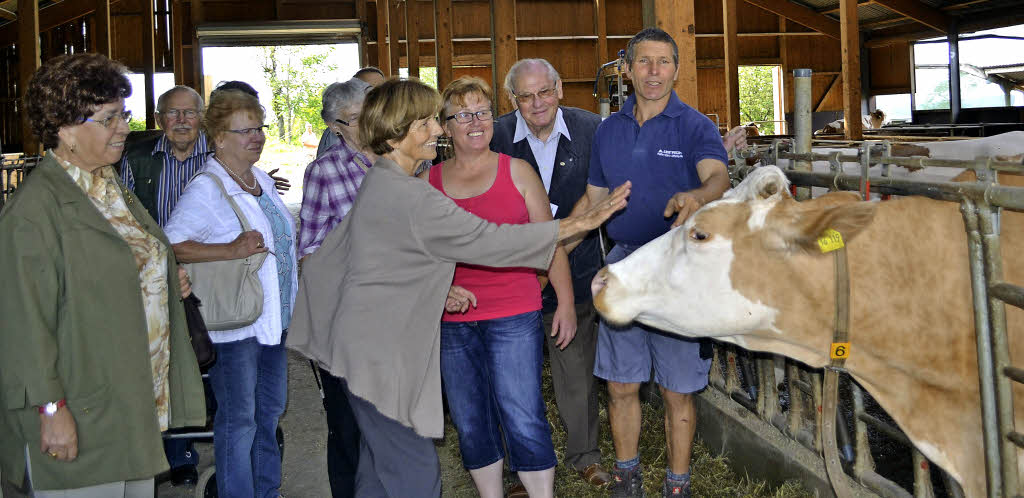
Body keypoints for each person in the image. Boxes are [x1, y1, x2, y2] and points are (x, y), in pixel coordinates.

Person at [286, 78, 630, 497]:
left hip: (360, 349)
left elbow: (373, 258)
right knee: (416, 474)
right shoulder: (412, 192)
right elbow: (488, 240)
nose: (437, 129)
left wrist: (438, 288)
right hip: (379, 357)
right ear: (397, 135)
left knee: (376, 470)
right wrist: (580, 223)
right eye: (427, 122)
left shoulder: (383, 180)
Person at [0, 52, 206, 497]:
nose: (124, 128)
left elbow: (114, 265)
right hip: (81, 411)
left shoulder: (108, 187)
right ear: (65, 129)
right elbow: (23, 326)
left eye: (123, 115)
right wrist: (51, 410)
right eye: (109, 118)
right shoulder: (34, 211)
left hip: (129, 401)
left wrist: (161, 279)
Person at [571, 28, 730, 498]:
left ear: (676, 69)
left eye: (663, 62)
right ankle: (627, 477)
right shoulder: (608, 130)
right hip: (626, 265)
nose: (654, 72)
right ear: (627, 69)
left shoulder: (694, 125)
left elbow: (718, 177)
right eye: (644, 62)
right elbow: (594, 199)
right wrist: (555, 243)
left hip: (681, 268)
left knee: (676, 389)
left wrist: (697, 196)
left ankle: (677, 484)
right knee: (621, 383)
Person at [422, 76, 567, 498]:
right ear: (446, 127)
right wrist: (438, 290)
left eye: (482, 112)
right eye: (463, 115)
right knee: (470, 418)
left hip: (514, 312)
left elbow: (549, 241)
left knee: (522, 412)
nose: (475, 122)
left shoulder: (517, 171)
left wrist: (564, 302)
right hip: (452, 320)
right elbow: (417, 254)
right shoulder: (428, 183)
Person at [164, 89, 298, 498]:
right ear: (219, 138)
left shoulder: (260, 180)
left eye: (260, 128)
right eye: (246, 131)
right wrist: (229, 250)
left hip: (272, 321)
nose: (257, 138)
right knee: (239, 420)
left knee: (268, 413)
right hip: (236, 328)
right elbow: (169, 244)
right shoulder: (207, 188)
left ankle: (266, 491)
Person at [490, 58, 612, 490]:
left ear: (559, 89)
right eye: (526, 96)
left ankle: (585, 455)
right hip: (510, 278)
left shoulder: (592, 130)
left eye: (544, 91)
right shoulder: (495, 136)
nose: (537, 103)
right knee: (513, 379)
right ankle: (521, 466)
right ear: (513, 99)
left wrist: (553, 258)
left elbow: (598, 199)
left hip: (575, 271)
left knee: (576, 369)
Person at [117, 84, 210, 486]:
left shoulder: (219, 154)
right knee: (161, 360)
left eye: (190, 113)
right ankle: (170, 452)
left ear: (202, 117)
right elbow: (123, 216)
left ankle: (195, 438)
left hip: (209, 270)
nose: (182, 121)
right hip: (154, 276)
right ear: (158, 120)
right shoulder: (136, 158)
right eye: (173, 113)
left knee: (205, 358)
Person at [296, 77, 374, 498]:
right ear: (336, 127)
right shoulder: (324, 171)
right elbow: (308, 250)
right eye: (358, 119)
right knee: (347, 423)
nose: (370, 124)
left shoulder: (399, 161)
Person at [316, 67, 387, 158]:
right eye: (368, 90)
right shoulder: (338, 132)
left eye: (381, 90)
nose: (377, 96)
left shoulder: (390, 124)